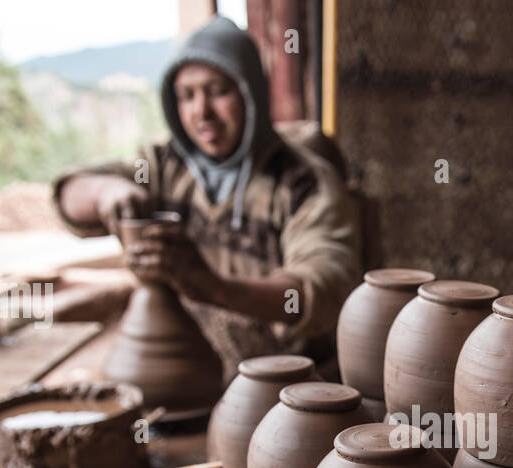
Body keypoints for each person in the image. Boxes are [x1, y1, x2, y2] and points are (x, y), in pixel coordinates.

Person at [53, 16, 360, 374]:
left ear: (252, 95)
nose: (202, 112)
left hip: (287, 381)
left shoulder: (302, 180)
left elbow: (321, 292)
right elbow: (68, 196)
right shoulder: (163, 166)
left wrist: (214, 289)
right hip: (189, 369)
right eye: (187, 96)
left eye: (218, 91)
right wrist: (106, 192)